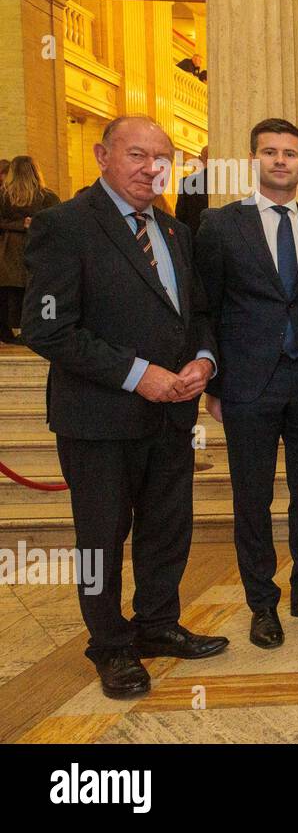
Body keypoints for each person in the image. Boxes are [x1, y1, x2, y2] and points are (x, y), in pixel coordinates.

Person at [22, 115, 227, 699]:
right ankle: (109, 646)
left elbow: (199, 314)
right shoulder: (65, 226)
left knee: (167, 528)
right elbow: (47, 328)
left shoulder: (175, 232)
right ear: (101, 155)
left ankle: (158, 625)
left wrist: (204, 361)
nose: (150, 168)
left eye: (161, 158)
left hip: (173, 415)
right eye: (137, 155)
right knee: (102, 536)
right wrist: (139, 376)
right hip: (99, 418)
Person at [195, 118, 298, 649]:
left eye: (290, 153)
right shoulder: (220, 225)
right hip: (247, 382)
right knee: (252, 498)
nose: (281, 160)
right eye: (270, 152)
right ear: (254, 159)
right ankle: (261, 602)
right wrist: (211, 382)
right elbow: (205, 307)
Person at [1, 155, 60, 345]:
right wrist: (30, 224)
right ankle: (36, 330)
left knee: (12, 295)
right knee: (36, 293)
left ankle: (11, 332)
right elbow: (59, 224)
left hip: (9, 251)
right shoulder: (48, 197)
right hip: (40, 250)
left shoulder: (4, 197)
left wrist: (18, 224)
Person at [174, 145, 209, 236]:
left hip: (193, 239)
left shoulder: (186, 182)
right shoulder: (227, 181)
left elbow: (180, 216)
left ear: (200, 159)